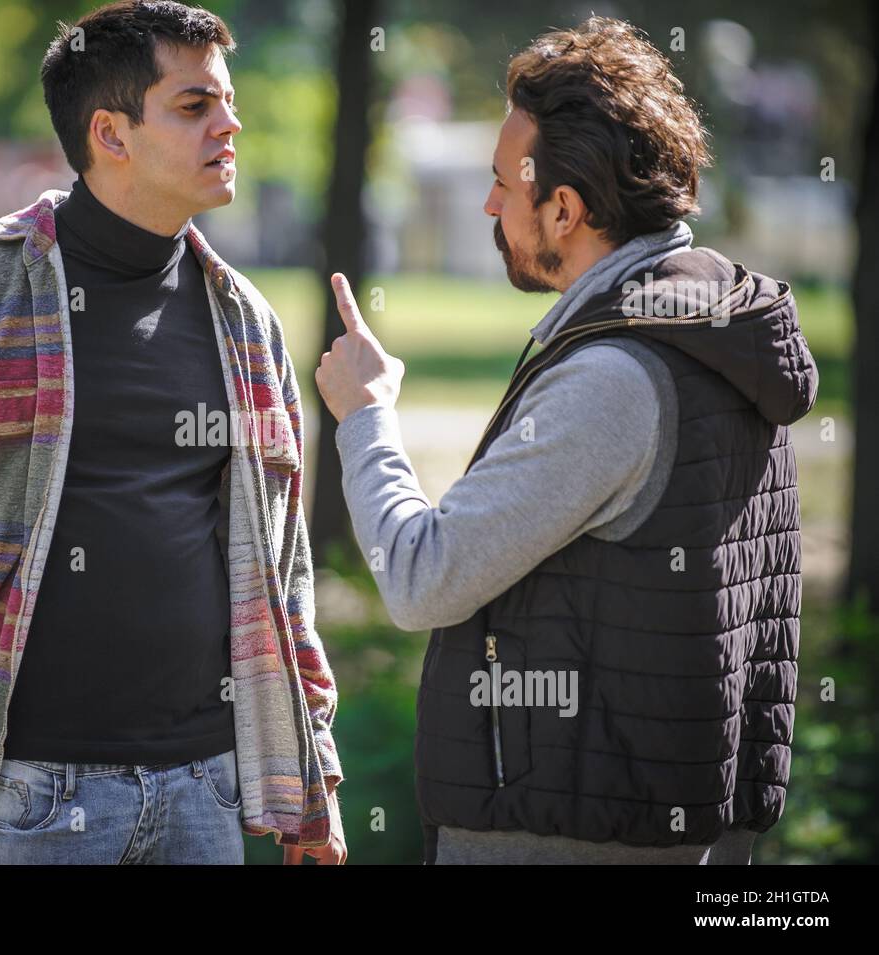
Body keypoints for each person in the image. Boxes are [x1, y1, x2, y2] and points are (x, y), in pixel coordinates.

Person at [0, 0, 345, 865]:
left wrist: (314, 778)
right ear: (112, 134)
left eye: (228, 102)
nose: (231, 124)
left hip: (206, 788)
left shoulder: (247, 322)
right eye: (196, 105)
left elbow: (285, 582)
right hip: (18, 794)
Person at [314, 15, 817, 865]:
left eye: (503, 186)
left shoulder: (615, 377)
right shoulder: (717, 324)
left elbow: (419, 577)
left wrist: (365, 414)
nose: (487, 204)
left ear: (565, 207)